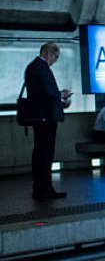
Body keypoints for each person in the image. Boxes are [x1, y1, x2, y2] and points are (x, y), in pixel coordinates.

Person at [24, 42, 70, 199]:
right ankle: (43, 189)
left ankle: (43, 188)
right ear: (47, 52)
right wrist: (61, 94)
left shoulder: (34, 67)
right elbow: (47, 91)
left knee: (42, 153)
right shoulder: (40, 67)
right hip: (45, 117)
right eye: (55, 57)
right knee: (44, 154)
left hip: (42, 115)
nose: (55, 61)